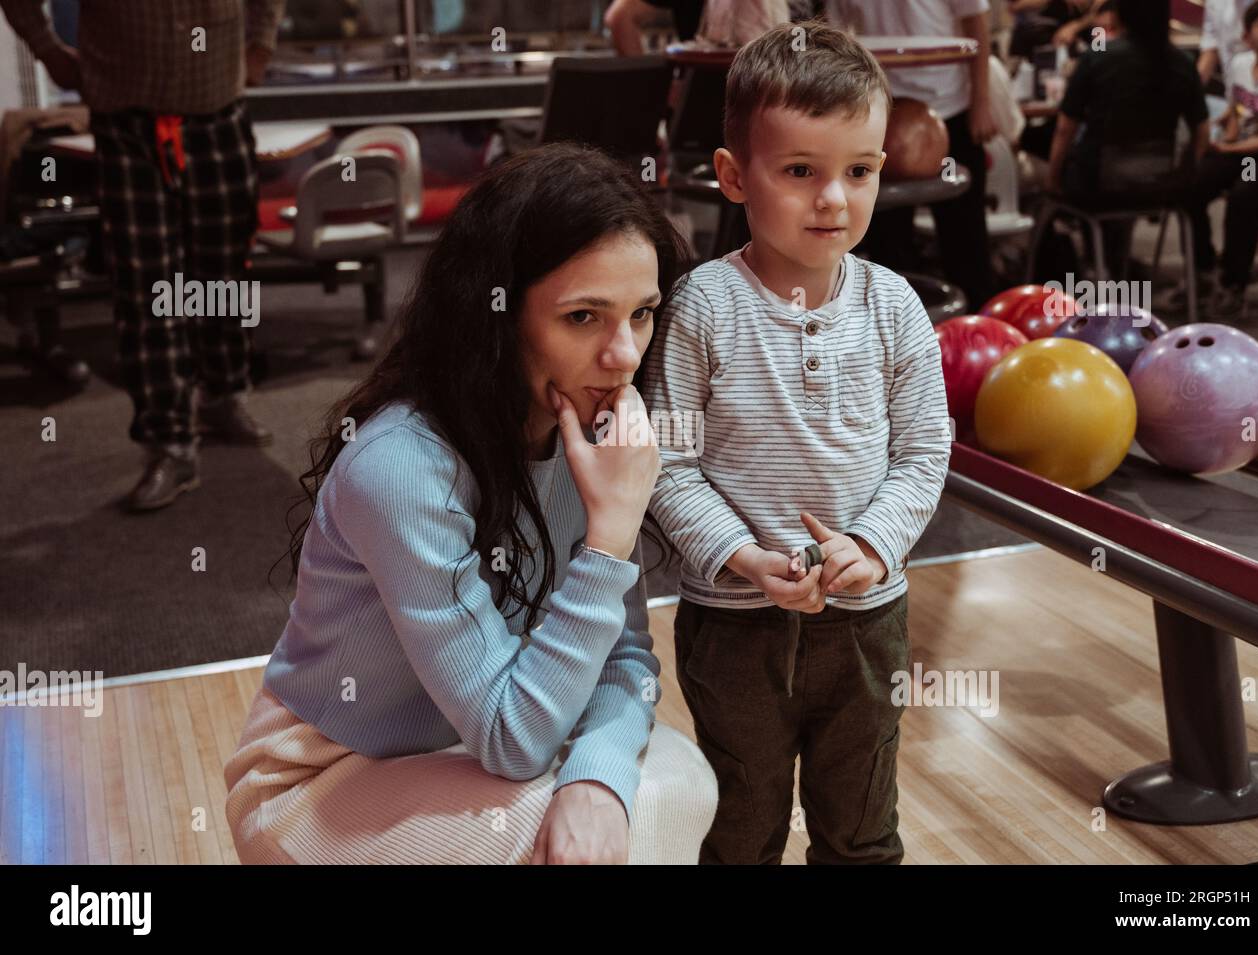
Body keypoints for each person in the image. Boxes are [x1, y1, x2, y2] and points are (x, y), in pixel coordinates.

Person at [223, 142, 719, 865]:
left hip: (469, 745)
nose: (623, 355)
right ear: (497, 315)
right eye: (584, 317)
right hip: (321, 775)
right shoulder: (401, 467)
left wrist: (595, 781)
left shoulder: (589, 431)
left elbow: (629, 659)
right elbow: (512, 740)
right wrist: (608, 540)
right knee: (546, 827)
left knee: (670, 786)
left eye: (642, 313)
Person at [642, 22, 951, 864]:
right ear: (735, 176)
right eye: (801, 172)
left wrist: (872, 545)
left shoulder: (895, 307)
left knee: (861, 826)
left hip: (866, 621)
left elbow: (924, 453)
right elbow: (668, 464)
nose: (835, 199)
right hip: (734, 625)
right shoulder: (702, 306)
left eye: (860, 171)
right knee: (740, 825)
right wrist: (742, 556)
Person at [0, 0, 285, 512]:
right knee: (148, 285)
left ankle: (221, 395)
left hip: (216, 108)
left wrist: (261, 42)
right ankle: (169, 443)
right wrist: (47, 52)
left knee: (220, 271)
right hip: (126, 121)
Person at [828, 0, 998, 309]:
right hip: (880, 111)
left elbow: (977, 23)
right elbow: (838, 33)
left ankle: (980, 339)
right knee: (887, 244)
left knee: (965, 239)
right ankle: (896, 343)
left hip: (949, 107)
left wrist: (982, 102)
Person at [1044, 0, 1209, 282]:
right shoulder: (1183, 63)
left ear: (1120, 15)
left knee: (1051, 188)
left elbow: (1064, 128)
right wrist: (1184, 174)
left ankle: (1088, 272)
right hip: (1163, 187)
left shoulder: (1097, 59)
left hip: (1096, 187)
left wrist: (1053, 178)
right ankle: (1116, 268)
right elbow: (1202, 132)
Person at [1185, 0, 1258, 316]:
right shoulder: (1238, 64)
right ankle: (1204, 268)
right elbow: (1236, 115)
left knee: (1243, 193)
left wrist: (1231, 149)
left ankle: (1235, 283)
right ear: (1247, 36)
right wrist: (1225, 136)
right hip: (1240, 150)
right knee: (1193, 184)